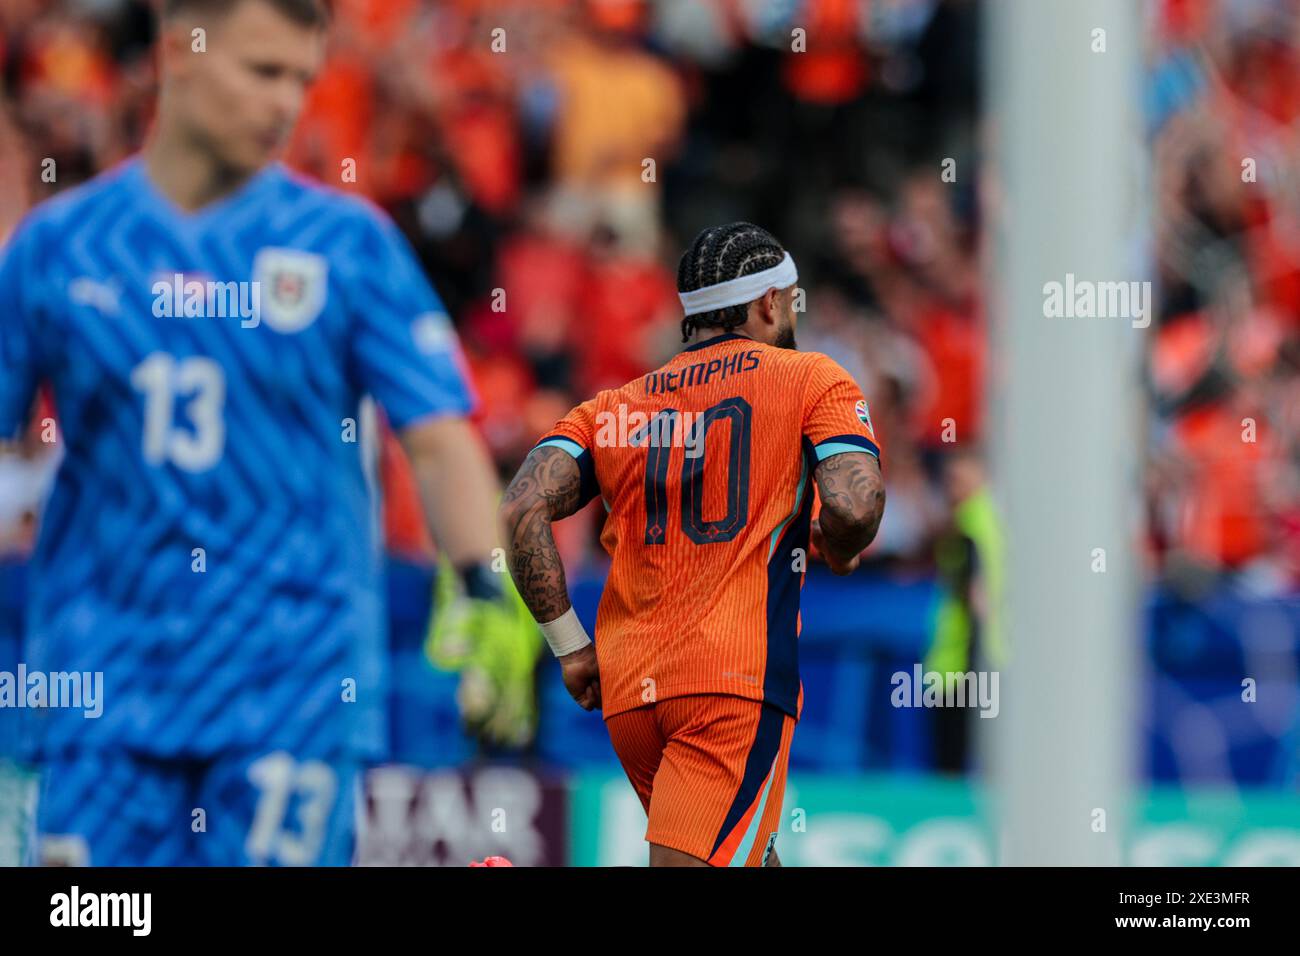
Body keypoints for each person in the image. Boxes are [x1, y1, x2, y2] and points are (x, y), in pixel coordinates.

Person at [0, 0, 521, 865]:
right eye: (262, 71)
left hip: (293, 688)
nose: (285, 103)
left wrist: (486, 582)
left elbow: (437, 432)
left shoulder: (347, 244)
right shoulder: (59, 249)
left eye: (301, 80)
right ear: (179, 52)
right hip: (105, 693)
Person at [501, 222, 886, 866]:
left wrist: (569, 649)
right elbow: (857, 501)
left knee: (748, 856)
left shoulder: (615, 406)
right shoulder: (809, 378)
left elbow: (520, 507)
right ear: (768, 303)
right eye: (791, 300)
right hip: (729, 688)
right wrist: (837, 543)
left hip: (630, 694)